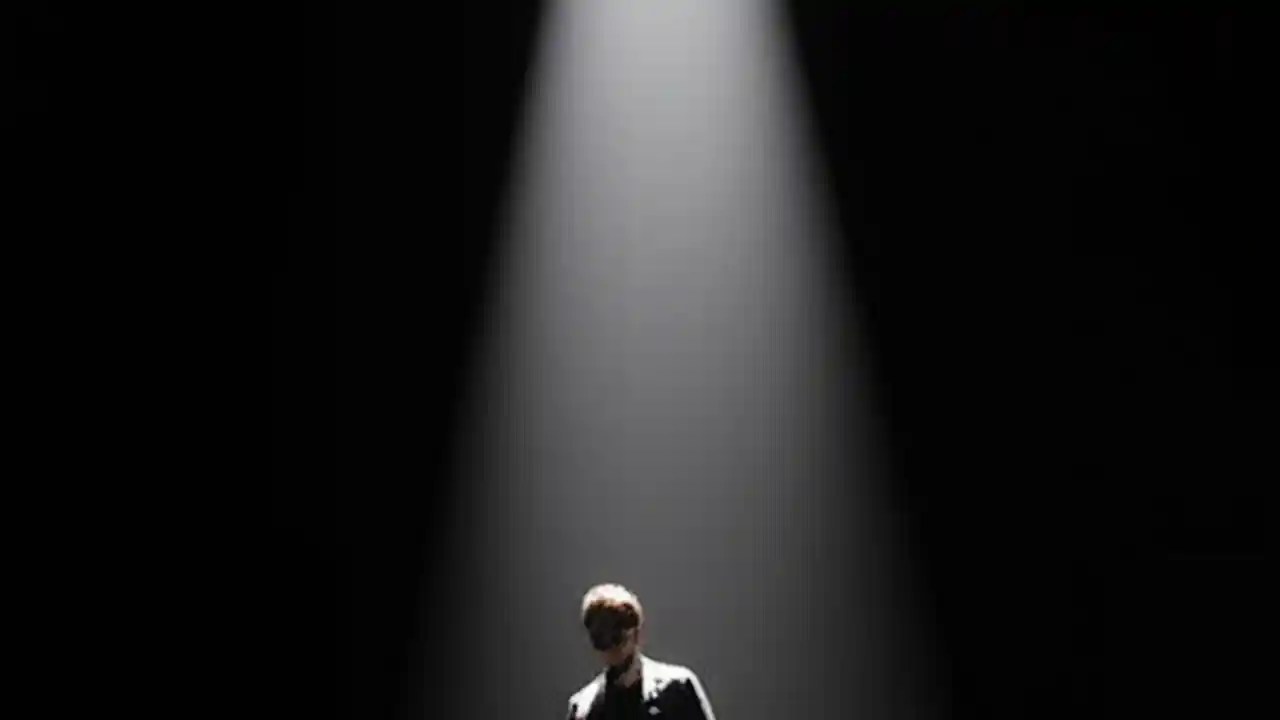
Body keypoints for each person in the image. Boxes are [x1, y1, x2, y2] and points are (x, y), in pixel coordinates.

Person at [566, 583, 717, 720]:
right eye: (601, 639)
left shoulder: (677, 690)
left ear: (637, 634)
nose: (611, 650)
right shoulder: (582, 708)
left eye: (617, 637)